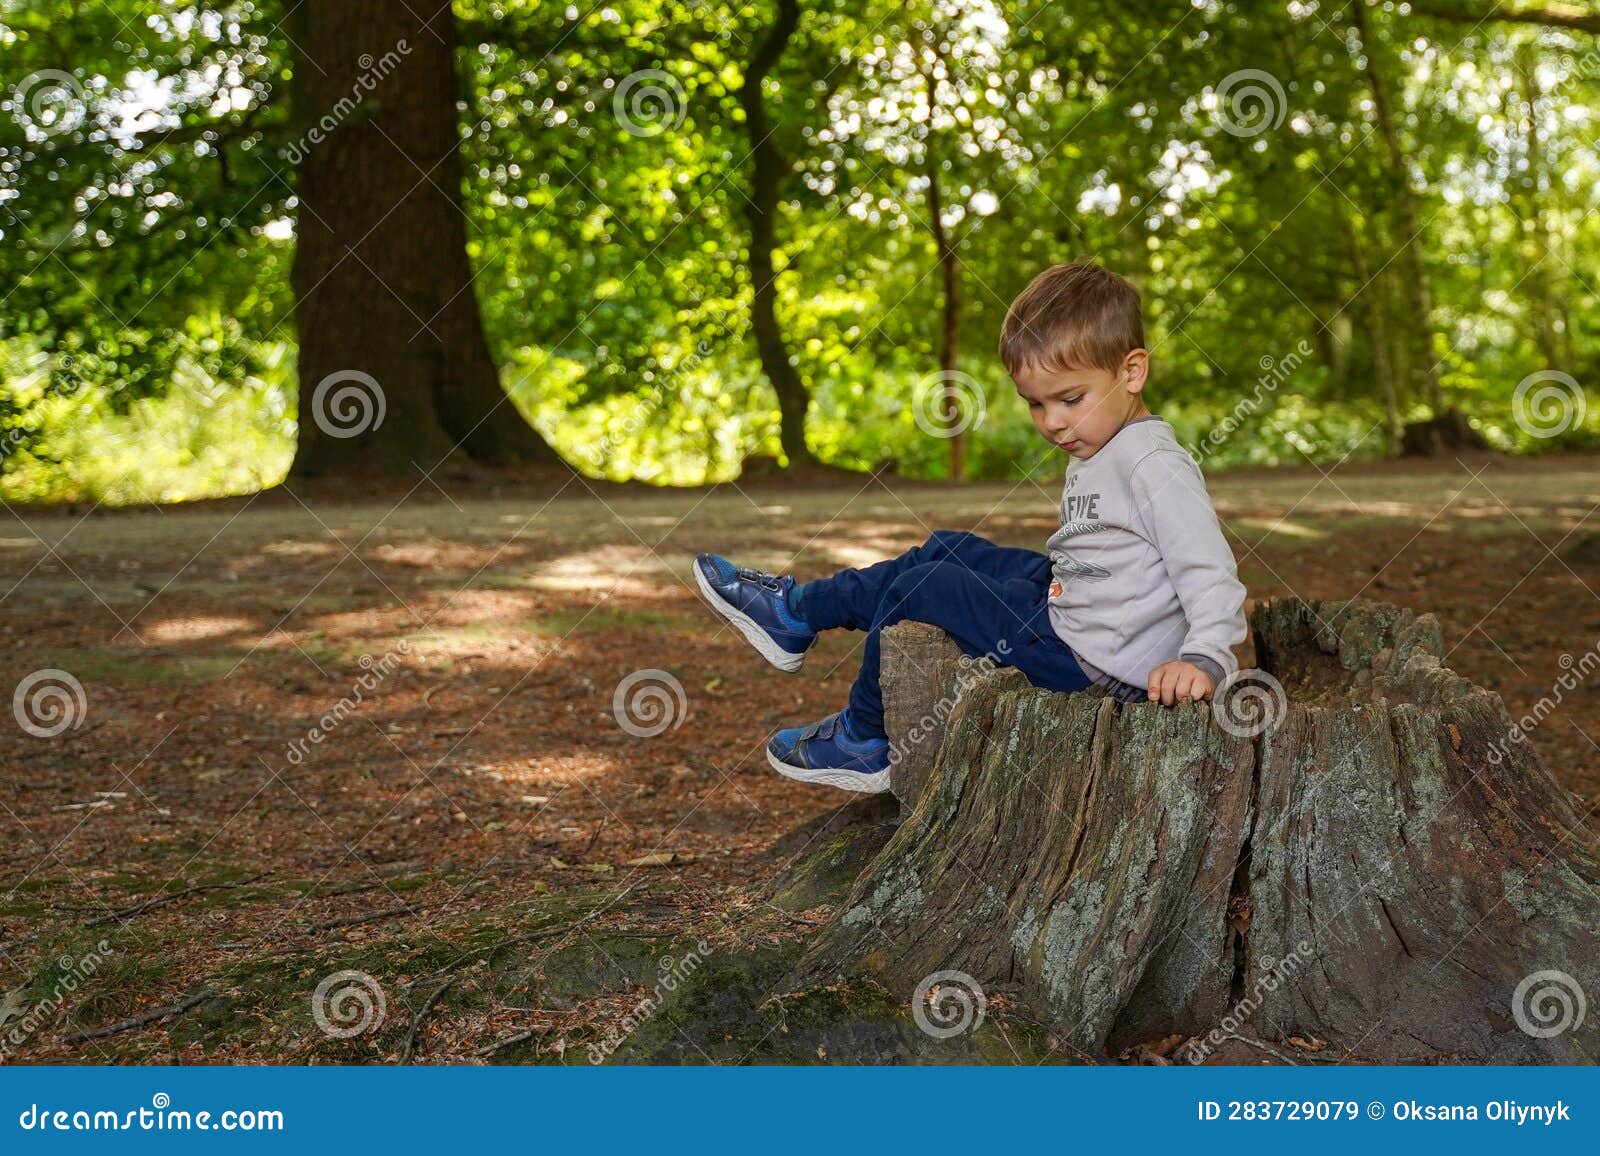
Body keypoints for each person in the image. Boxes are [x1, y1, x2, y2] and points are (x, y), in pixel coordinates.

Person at [693, 261, 1248, 794]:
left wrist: (1204, 658)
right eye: (1035, 404)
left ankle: (865, 736)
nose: (1051, 422)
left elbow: (1209, 570)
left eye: (1069, 399)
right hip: (1074, 603)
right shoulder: (1106, 439)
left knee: (928, 586)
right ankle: (798, 613)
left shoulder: (1152, 462)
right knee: (949, 550)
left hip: (1091, 662)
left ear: (1131, 371)